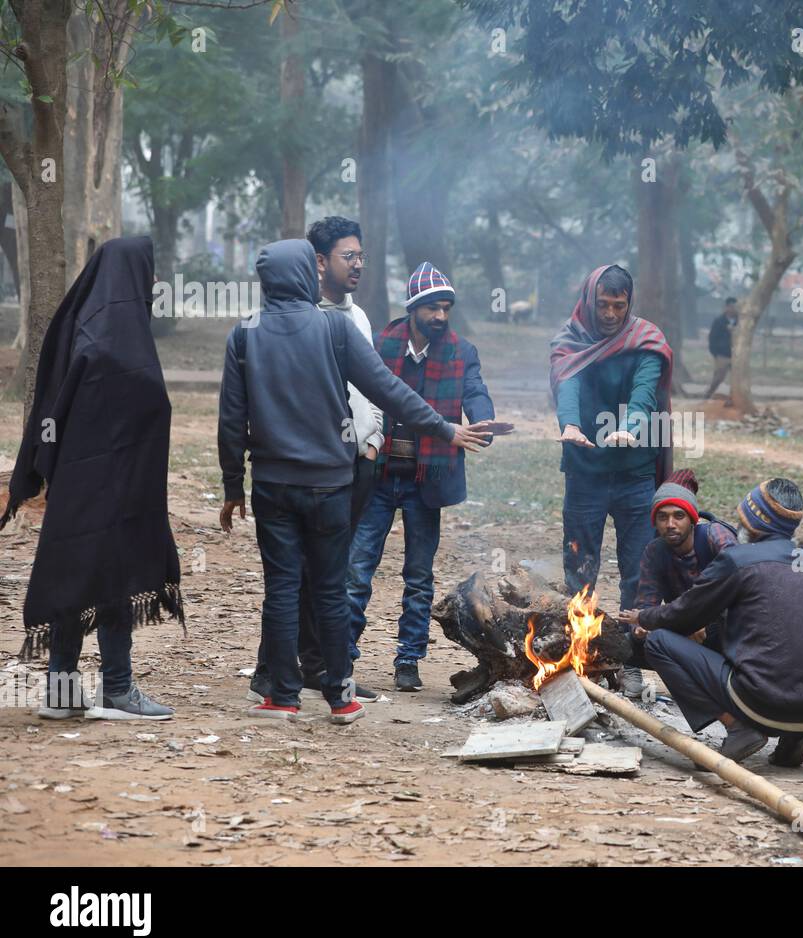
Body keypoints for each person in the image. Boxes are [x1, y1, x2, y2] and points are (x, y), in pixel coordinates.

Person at [219, 239, 492, 724]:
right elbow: (390, 391)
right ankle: (340, 696)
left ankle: (282, 696)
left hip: (273, 485)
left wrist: (232, 486)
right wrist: (445, 427)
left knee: (282, 588)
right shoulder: (334, 327)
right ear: (308, 272)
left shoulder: (246, 333)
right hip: (330, 483)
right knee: (329, 586)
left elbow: (231, 420)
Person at [3, 237, 183, 721]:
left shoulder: (78, 320)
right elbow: (144, 401)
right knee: (115, 577)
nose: (153, 284)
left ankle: (61, 690)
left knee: (76, 574)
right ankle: (118, 688)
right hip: (115, 485)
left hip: (75, 485)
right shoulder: (118, 339)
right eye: (149, 274)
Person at [245, 216, 384, 704]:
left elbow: (375, 389)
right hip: (317, 467)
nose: (358, 265)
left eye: (361, 256)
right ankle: (281, 671)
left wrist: (374, 441)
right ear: (317, 262)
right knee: (299, 575)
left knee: (327, 572)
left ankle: (322, 667)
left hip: (356, 463)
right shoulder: (296, 324)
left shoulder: (358, 319)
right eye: (349, 256)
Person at [345, 264, 498, 692]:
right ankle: (343, 655)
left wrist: (484, 421)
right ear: (412, 308)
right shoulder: (378, 345)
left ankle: (408, 660)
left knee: (419, 575)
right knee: (358, 570)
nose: (440, 316)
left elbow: (475, 390)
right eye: (432, 307)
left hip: (425, 479)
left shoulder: (461, 351)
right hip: (378, 473)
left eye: (446, 307)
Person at [619, 479, 803, 768]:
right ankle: (794, 737)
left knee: (659, 642)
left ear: (752, 521)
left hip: (762, 701)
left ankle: (737, 728)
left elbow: (685, 612)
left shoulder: (738, 559)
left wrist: (642, 618)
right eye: (663, 517)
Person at [550, 264, 673, 698]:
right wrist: (568, 423)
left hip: (634, 473)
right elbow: (569, 382)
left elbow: (645, 390)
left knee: (638, 571)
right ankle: (576, 650)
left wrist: (632, 425)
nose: (610, 314)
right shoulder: (572, 338)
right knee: (580, 566)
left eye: (619, 306)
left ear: (629, 304)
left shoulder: (645, 340)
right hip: (584, 470)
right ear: (590, 301)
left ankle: (630, 662)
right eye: (603, 305)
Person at [632, 469, 738, 654]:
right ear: (655, 522)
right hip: (684, 628)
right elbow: (646, 602)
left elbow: (744, 587)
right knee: (629, 646)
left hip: (730, 630)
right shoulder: (654, 551)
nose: (670, 524)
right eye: (662, 517)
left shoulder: (716, 536)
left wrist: (707, 623)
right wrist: (641, 627)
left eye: (678, 516)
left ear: (692, 519)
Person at [704, 297, 738, 403]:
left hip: (737, 355)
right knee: (718, 378)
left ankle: (733, 399)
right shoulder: (719, 321)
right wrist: (715, 353)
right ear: (726, 307)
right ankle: (708, 395)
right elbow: (712, 338)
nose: (733, 309)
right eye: (731, 307)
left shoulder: (740, 321)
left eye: (735, 307)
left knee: (736, 379)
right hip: (722, 355)